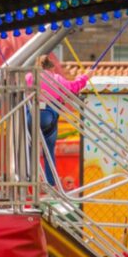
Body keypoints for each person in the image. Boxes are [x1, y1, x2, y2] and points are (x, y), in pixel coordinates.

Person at [32, 53, 87, 185]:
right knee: (49, 149)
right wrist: (85, 77)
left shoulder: (30, 78)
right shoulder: (56, 78)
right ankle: (50, 181)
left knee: (28, 145)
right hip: (49, 115)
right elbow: (74, 87)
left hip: (32, 113)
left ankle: (28, 176)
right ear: (51, 68)